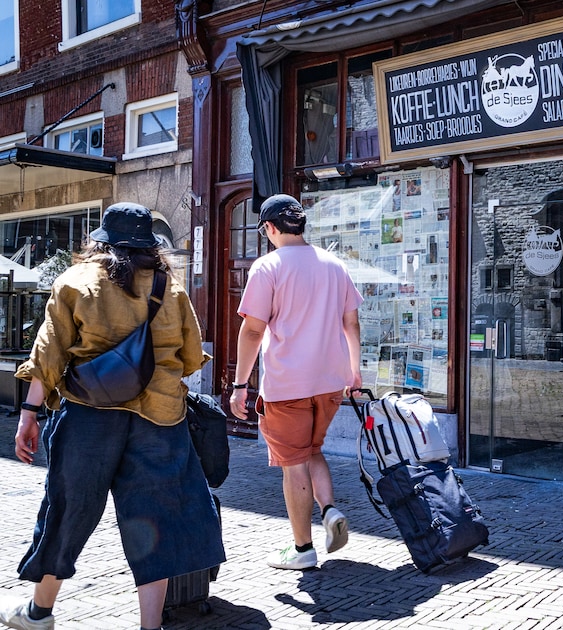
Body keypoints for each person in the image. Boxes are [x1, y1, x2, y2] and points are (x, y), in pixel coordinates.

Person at [3, 203, 223, 630]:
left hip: (89, 415)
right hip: (161, 418)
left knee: (69, 510)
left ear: (101, 239)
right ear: (148, 245)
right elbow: (193, 355)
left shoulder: (76, 281)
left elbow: (47, 355)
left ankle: (40, 613)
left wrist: (29, 413)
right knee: (156, 519)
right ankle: (149, 626)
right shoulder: (170, 288)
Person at [230, 193, 363, 571]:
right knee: (312, 449)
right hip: (331, 382)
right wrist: (354, 372)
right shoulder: (334, 264)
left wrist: (240, 385)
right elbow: (351, 323)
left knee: (293, 463)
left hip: (288, 385)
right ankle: (330, 510)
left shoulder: (267, 267)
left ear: (270, 227)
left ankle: (302, 548)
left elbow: (253, 331)